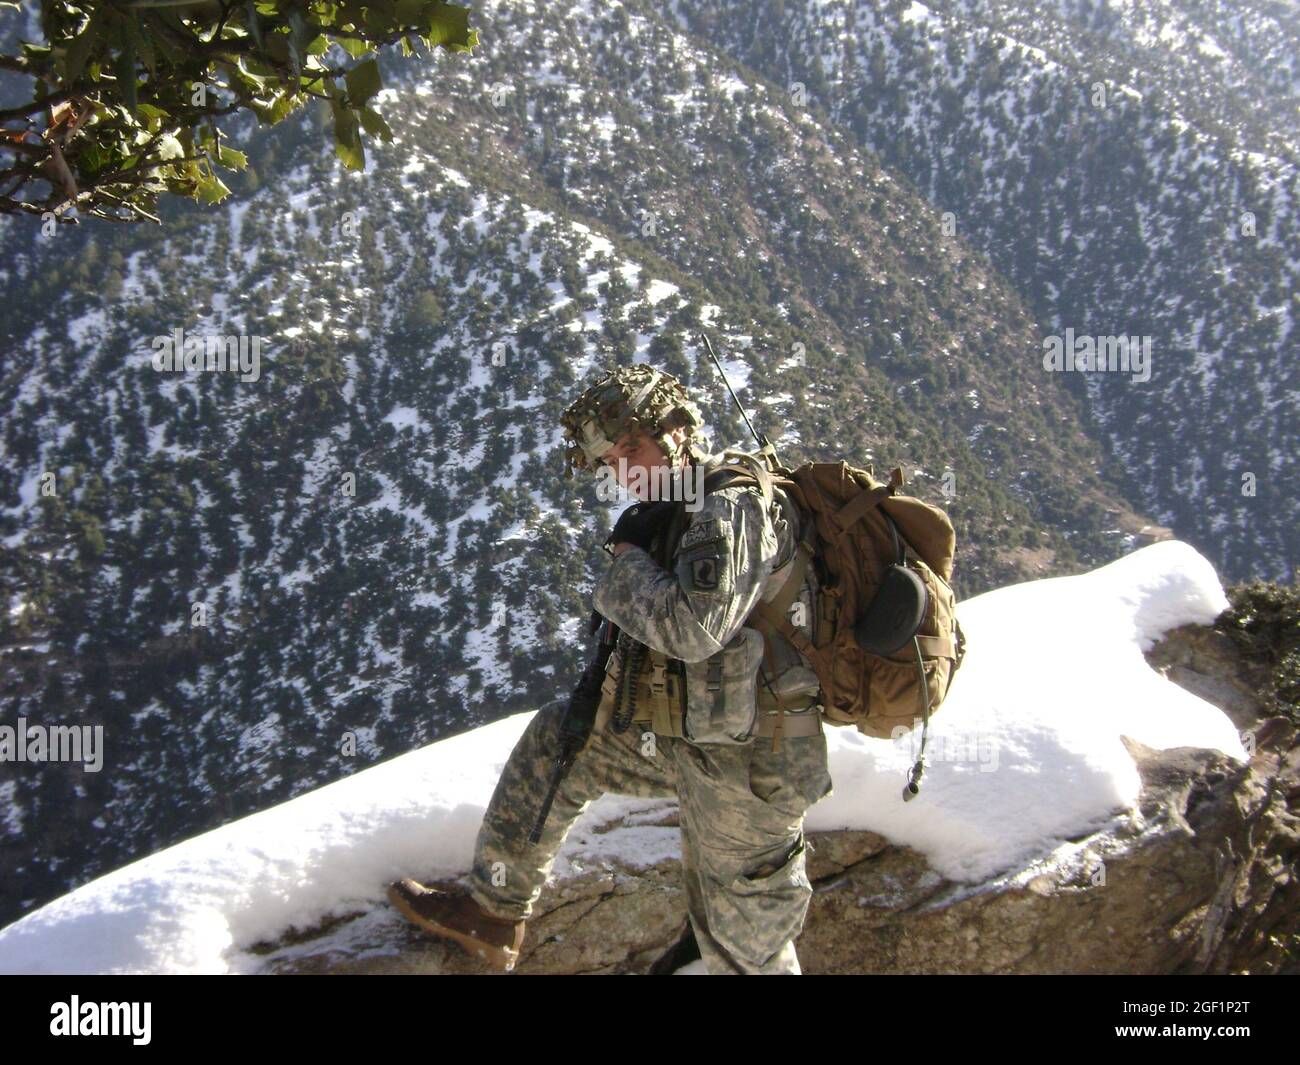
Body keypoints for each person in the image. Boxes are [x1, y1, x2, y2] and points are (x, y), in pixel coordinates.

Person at [388, 364, 833, 974]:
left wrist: (626, 563)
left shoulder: (730, 508)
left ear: (678, 431)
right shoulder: (676, 508)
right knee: (562, 739)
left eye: (632, 449)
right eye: (609, 461)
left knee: (748, 952)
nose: (624, 471)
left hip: (753, 767)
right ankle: (493, 915)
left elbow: (693, 629)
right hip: (695, 742)